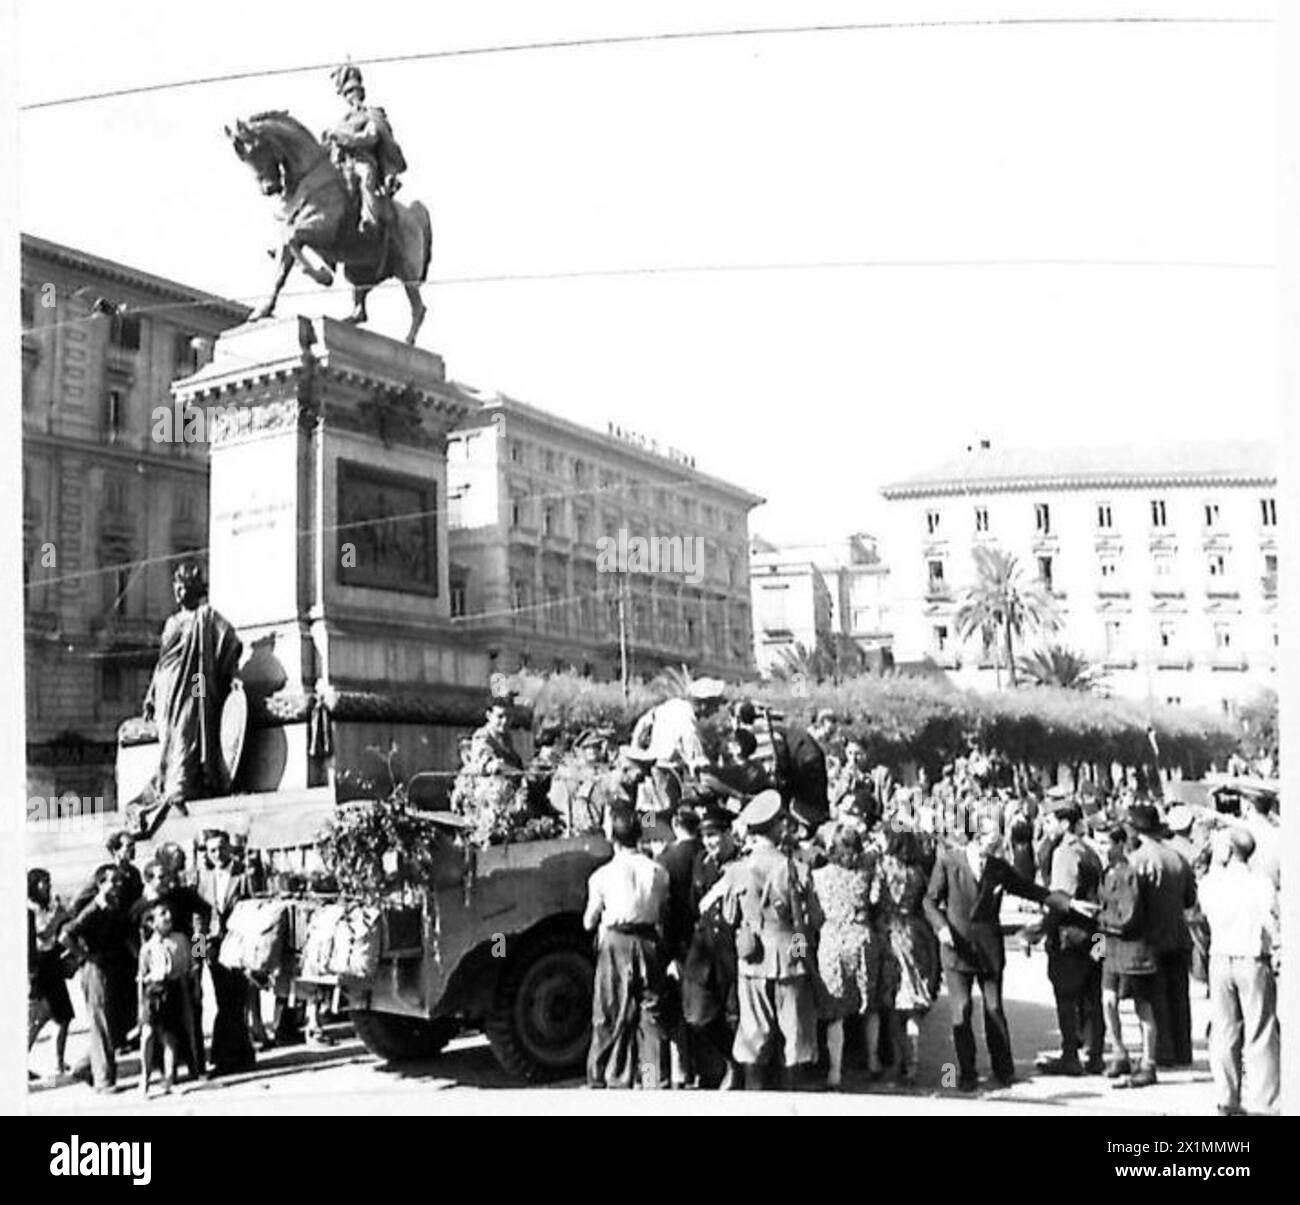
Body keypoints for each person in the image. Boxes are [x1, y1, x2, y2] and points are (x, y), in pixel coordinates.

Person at [923, 802, 1091, 1091]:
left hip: (988, 948)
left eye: (998, 835)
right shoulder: (949, 861)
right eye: (990, 835)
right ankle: (964, 1073)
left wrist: (1068, 902)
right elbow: (929, 900)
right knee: (961, 1010)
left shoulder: (999, 868)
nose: (996, 840)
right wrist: (941, 928)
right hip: (957, 947)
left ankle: (1003, 1070)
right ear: (975, 835)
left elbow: (1031, 890)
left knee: (994, 1008)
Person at [128, 562, 243, 838]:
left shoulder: (205, 616)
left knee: (186, 733)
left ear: (195, 590)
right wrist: (151, 695)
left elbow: (230, 641)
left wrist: (232, 675)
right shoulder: (171, 622)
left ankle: (179, 789)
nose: (179, 592)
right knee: (169, 738)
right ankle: (172, 786)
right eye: (176, 587)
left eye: (184, 587)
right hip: (167, 689)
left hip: (194, 685)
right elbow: (162, 661)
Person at [722, 790, 820, 1090]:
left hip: (751, 958)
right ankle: (794, 1100)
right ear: (777, 827)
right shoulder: (794, 869)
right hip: (789, 956)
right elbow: (810, 919)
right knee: (796, 1033)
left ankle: (755, 1100)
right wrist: (804, 954)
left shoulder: (736, 870)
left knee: (752, 1033)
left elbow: (728, 917)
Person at [584, 806, 669, 1089]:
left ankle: (603, 1076)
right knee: (650, 1012)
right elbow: (663, 909)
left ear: (612, 837)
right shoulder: (658, 871)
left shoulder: (601, 875)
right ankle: (652, 1077)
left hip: (615, 942)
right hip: (648, 941)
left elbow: (588, 921)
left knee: (608, 1011)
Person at [1198, 827, 1280, 1115]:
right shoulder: (1261, 883)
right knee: (1260, 1032)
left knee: (1224, 1030)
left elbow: (1205, 912)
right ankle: (1263, 1102)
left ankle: (1226, 1097)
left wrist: (1213, 865)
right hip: (1253, 958)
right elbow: (1272, 921)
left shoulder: (1211, 883)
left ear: (1229, 850)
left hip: (1220, 958)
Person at [1125, 803, 1196, 1068]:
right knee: (1180, 996)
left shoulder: (1136, 861)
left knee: (1156, 998)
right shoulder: (1178, 858)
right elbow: (1190, 900)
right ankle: (1182, 1051)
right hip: (1178, 935)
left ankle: (1162, 1051)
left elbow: (1131, 906)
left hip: (1150, 938)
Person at [811, 824, 882, 1088]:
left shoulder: (819, 876)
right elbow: (875, 900)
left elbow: (814, 913)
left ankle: (835, 1071)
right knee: (869, 1004)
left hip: (832, 940)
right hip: (863, 937)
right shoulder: (866, 873)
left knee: (835, 1009)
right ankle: (874, 1059)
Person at [1036, 800, 1104, 1076]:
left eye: (1049, 820)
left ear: (1064, 824)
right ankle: (1096, 1054)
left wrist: (1041, 929)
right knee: (1093, 996)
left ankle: (1070, 1055)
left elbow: (1062, 898)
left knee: (1066, 996)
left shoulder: (1064, 853)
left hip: (1071, 934)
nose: (1045, 825)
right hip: (1096, 933)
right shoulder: (1090, 851)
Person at [681, 806, 743, 1089]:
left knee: (734, 1015)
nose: (709, 842)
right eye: (705, 836)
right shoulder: (701, 862)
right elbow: (693, 906)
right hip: (703, 949)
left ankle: (739, 1069)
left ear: (729, 834)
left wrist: (798, 951)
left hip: (734, 949)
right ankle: (728, 1058)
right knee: (696, 1015)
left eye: (714, 835)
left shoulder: (742, 864)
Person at [872, 828, 939, 1084]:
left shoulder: (884, 868)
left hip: (890, 933)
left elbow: (875, 897)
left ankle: (898, 1060)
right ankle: (914, 1063)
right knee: (912, 1004)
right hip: (916, 932)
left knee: (891, 1004)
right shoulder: (918, 872)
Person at [1095, 825, 1161, 1087]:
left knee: (1142, 1008)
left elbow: (1128, 918)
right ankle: (1119, 1051)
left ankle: (1149, 1063)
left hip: (1134, 951)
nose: (1101, 849)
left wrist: (1099, 919)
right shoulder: (1106, 872)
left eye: (1105, 844)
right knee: (1108, 1001)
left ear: (1119, 844)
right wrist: (1096, 950)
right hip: (1110, 949)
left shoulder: (1130, 874)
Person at [63, 866, 133, 1092]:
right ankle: (104, 1079)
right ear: (101, 884)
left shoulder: (119, 905)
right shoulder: (95, 908)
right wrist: (86, 956)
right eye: (113, 881)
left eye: (120, 881)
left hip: (119, 968)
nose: (118, 885)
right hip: (99, 968)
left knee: (118, 1023)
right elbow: (66, 935)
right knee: (102, 1021)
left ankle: (86, 1066)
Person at [196, 829, 256, 1077]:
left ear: (230, 847)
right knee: (225, 999)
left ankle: (225, 1058)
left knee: (235, 999)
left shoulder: (244, 874)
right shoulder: (204, 878)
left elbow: (254, 908)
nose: (217, 854)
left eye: (221, 848)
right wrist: (199, 952)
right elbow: (198, 917)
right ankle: (242, 1054)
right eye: (212, 850)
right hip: (214, 948)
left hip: (238, 943)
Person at [323, 63, 407, 236]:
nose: (351, 96)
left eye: (354, 92)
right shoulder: (342, 121)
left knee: (365, 178)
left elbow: (371, 137)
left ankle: (370, 219)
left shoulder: (371, 114)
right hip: (341, 165)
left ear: (361, 93)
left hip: (364, 161)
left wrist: (343, 138)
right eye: (347, 93)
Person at [657, 807, 703, 1088]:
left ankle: (680, 1072)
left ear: (675, 824)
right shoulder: (706, 853)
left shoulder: (665, 859)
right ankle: (709, 1068)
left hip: (678, 943)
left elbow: (665, 909)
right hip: (707, 939)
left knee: (677, 1009)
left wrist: (669, 951)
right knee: (707, 1005)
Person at [137, 901, 197, 1096]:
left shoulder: (182, 939)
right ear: (152, 923)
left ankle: (175, 1077)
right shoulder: (147, 948)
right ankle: (145, 1077)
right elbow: (141, 977)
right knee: (147, 1034)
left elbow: (195, 961)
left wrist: (196, 979)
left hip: (176, 988)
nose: (168, 917)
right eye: (163, 914)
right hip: (153, 991)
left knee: (173, 1035)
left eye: (169, 913)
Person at [27, 868, 74, 1079]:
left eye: (48, 881)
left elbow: (66, 919)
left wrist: (63, 914)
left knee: (63, 1016)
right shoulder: (29, 909)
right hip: (39, 967)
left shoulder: (49, 905)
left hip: (53, 964)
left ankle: (58, 1061)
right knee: (37, 1018)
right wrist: (57, 918)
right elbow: (43, 934)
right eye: (43, 882)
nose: (47, 885)